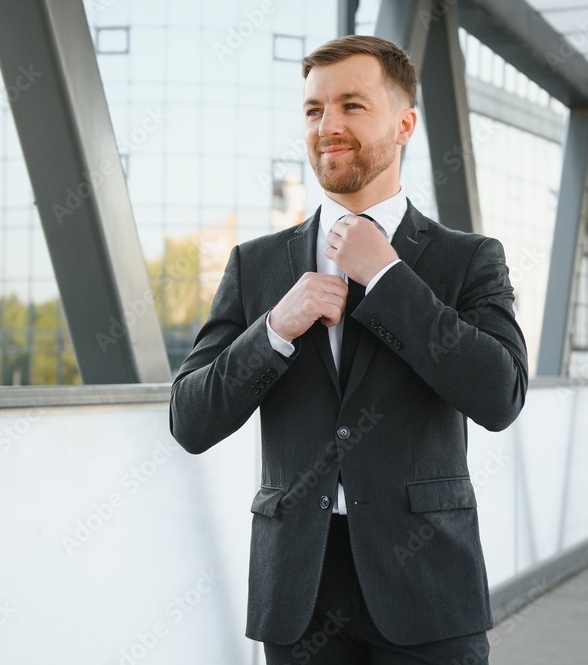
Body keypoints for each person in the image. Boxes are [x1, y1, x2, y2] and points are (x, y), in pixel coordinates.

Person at [170, 34, 528, 664]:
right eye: (314, 110)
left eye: (352, 106)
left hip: (427, 587)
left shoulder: (467, 259)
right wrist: (277, 327)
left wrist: (389, 281)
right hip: (298, 591)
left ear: (405, 123)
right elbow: (190, 419)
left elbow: (500, 395)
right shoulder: (257, 267)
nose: (328, 126)